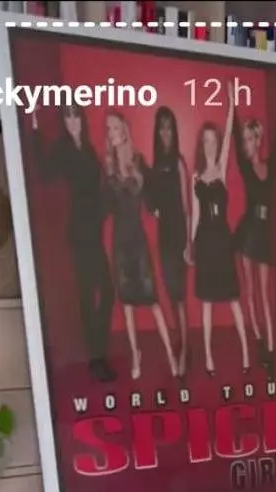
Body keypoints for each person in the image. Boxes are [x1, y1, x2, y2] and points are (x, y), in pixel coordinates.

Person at [30, 107, 115, 382]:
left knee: (107, 292)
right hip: (80, 230)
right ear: (64, 123)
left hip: (94, 227)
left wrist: (106, 207)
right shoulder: (64, 150)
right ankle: (96, 358)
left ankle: (98, 352)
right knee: (88, 295)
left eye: (76, 116)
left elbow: (97, 186)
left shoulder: (87, 148)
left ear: (82, 120)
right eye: (67, 117)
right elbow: (44, 172)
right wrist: (33, 131)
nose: (73, 122)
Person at [103, 114, 177, 383]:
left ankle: (171, 356)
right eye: (108, 128)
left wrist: (158, 207)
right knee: (127, 305)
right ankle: (136, 356)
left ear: (124, 131)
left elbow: (153, 197)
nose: (110, 131)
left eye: (114, 127)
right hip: (120, 244)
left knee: (152, 300)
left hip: (138, 241)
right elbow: (106, 206)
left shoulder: (138, 162)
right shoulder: (108, 169)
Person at [191, 86, 250, 378]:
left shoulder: (222, 171)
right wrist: (190, 246)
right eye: (206, 142)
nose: (211, 146)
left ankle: (246, 356)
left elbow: (229, 138)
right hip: (205, 241)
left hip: (223, 241)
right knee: (207, 302)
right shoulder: (195, 178)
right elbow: (195, 214)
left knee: (233, 298)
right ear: (202, 146)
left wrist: (231, 106)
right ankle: (209, 359)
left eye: (213, 141)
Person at [235, 78, 276, 373]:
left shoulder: (270, 162)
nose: (246, 145)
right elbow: (232, 140)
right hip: (248, 233)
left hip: (264, 235)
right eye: (243, 140)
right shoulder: (244, 166)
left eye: (250, 139)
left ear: (258, 139)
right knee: (250, 291)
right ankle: (258, 339)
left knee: (265, 295)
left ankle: (269, 348)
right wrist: (232, 105)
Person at [147, 108, 192, 378]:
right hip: (164, 234)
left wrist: (188, 242)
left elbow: (186, 206)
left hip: (178, 235)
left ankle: (186, 349)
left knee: (179, 295)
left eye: (169, 127)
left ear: (174, 131)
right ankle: (181, 339)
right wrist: (153, 208)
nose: (165, 132)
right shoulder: (156, 163)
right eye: (161, 127)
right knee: (171, 293)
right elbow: (152, 198)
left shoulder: (178, 162)